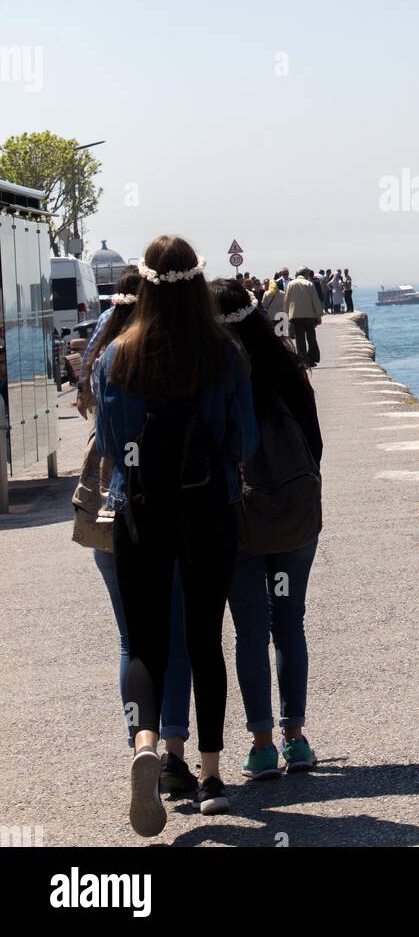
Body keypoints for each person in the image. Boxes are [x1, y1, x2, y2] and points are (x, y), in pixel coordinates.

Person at [96, 235, 258, 836]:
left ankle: (146, 744)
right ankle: (212, 778)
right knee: (205, 638)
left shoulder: (119, 356)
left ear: (144, 282)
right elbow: (245, 439)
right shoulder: (225, 354)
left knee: (144, 643)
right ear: (198, 283)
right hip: (209, 508)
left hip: (140, 510)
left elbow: (112, 445)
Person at [73, 268, 195, 791]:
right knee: (177, 635)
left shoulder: (103, 358)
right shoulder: (149, 356)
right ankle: (172, 751)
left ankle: (138, 744)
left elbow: (108, 433)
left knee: (132, 639)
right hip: (157, 508)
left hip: (107, 514)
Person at [211, 278, 322, 777]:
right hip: (295, 517)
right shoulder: (288, 368)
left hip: (240, 521)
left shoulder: (214, 375)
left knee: (249, 634)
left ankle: (261, 745)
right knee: (289, 625)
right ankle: (295, 738)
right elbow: (314, 445)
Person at [282, 268, 323, 368]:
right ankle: (313, 358)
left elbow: (286, 301)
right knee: (311, 337)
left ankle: (303, 361)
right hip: (309, 315)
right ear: (305, 274)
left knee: (300, 339)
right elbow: (315, 300)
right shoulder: (309, 284)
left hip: (295, 316)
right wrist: (318, 315)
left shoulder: (290, 284)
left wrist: (287, 313)